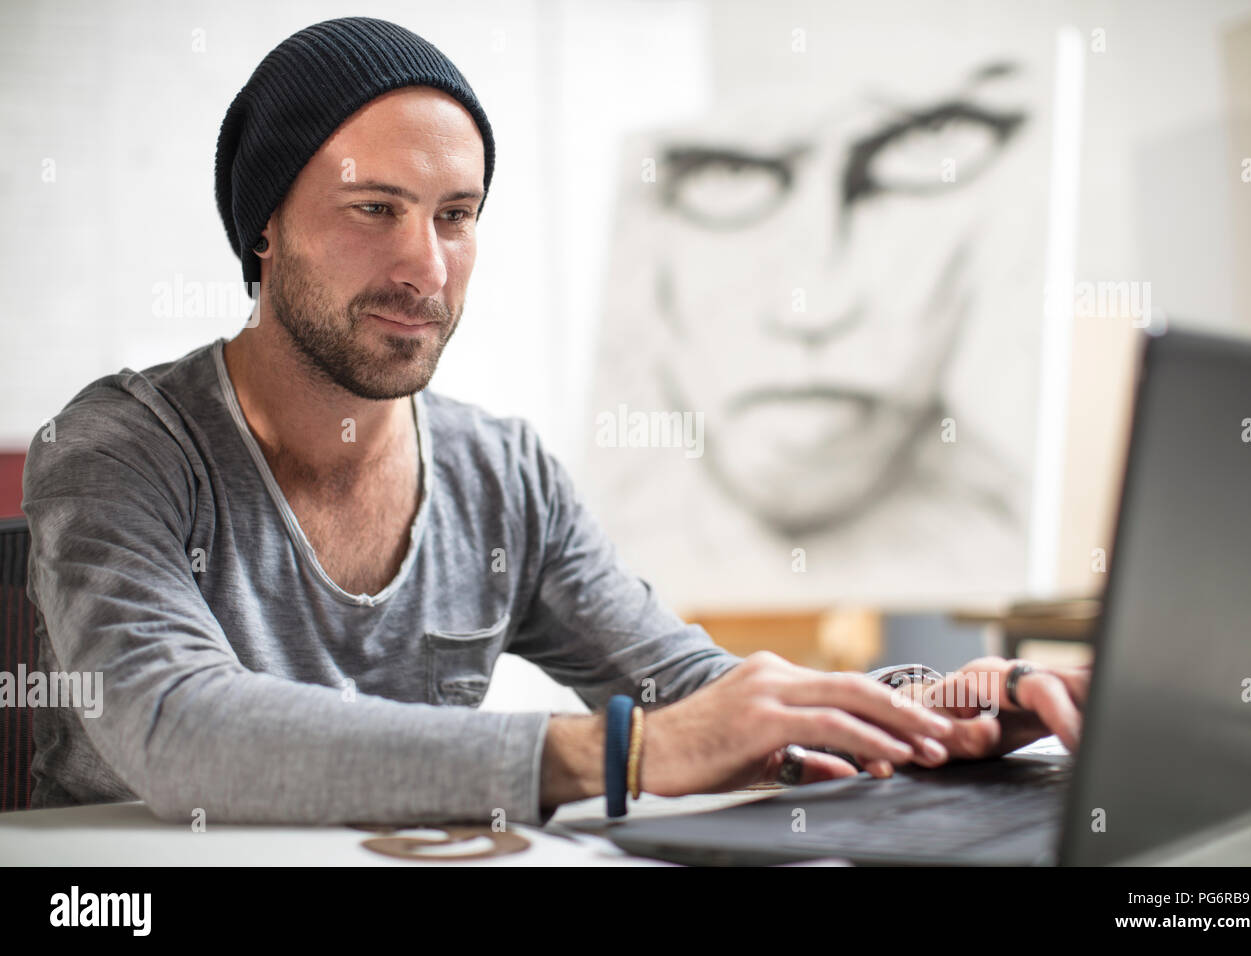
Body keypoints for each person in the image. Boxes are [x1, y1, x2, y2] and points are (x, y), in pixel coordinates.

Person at [22, 16, 1086, 828]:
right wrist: (608, 755)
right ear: (262, 230)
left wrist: (933, 700)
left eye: (456, 216)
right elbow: (175, 725)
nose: (423, 268)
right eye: (373, 210)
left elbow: (699, 689)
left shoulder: (500, 474)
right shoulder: (119, 451)